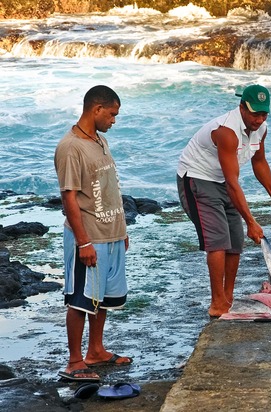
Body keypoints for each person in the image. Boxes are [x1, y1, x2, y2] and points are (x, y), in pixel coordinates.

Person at [177, 84, 271, 317]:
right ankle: (217, 303)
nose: (259, 119)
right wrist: (251, 221)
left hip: (223, 180)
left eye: (263, 114)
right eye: (255, 113)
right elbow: (232, 181)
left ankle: (227, 299)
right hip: (198, 178)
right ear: (242, 108)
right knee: (218, 239)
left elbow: (259, 163)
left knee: (235, 239)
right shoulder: (227, 132)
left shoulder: (261, 129)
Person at [54, 85, 132, 382]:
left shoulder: (98, 140)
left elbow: (109, 188)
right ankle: (75, 361)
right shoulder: (71, 146)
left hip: (111, 234)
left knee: (103, 298)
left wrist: (121, 230)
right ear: (96, 109)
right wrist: (83, 240)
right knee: (80, 300)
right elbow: (69, 198)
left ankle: (96, 351)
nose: (114, 120)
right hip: (88, 237)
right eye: (112, 114)